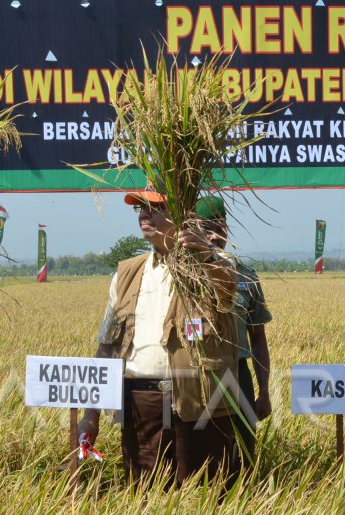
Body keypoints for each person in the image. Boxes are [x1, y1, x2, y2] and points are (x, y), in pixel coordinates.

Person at [77, 183, 241, 486]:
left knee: (205, 494)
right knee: (144, 494)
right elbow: (107, 348)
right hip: (141, 402)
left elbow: (227, 291)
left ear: (180, 213)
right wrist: (92, 412)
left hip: (199, 398)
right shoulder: (126, 274)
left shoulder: (213, 262)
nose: (144, 215)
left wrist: (203, 252)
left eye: (155, 207)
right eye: (141, 207)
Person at [194, 195, 273, 464]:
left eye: (220, 228)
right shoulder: (182, 276)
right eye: (207, 229)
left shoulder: (246, 276)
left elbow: (258, 338)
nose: (215, 237)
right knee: (202, 454)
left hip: (238, 374)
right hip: (198, 375)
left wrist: (264, 390)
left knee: (244, 449)